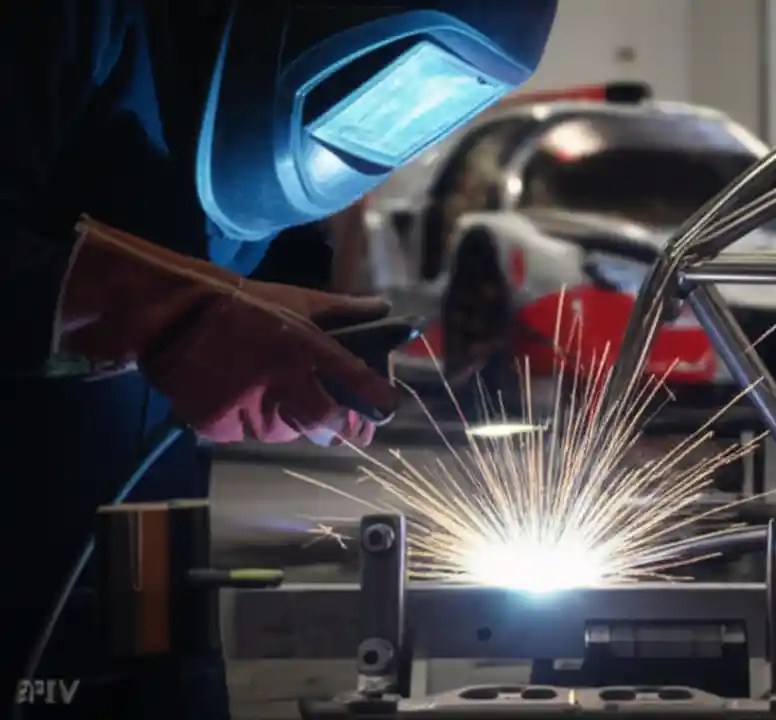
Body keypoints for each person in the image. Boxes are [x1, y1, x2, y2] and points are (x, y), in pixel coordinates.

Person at [0, 1, 557, 717]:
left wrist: (284, 301)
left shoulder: (261, 67)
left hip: (147, 577)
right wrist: (174, 316)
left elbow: (260, 224)